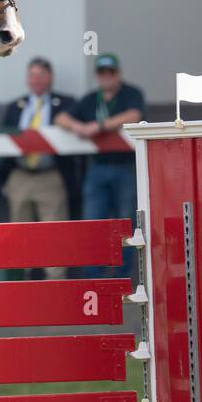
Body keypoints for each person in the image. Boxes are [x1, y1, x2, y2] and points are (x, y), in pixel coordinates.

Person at [55, 54, 145, 279]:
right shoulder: (90, 98)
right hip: (97, 168)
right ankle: (94, 278)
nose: (106, 76)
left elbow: (134, 115)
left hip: (124, 167)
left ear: (118, 73)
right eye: (102, 73)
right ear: (97, 75)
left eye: (110, 72)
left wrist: (100, 126)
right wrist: (77, 126)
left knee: (125, 223)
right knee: (94, 223)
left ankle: (122, 277)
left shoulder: (131, 93)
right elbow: (60, 118)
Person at [0, 57, 77, 278]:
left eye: (41, 75)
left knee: (54, 233)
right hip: (20, 176)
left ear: (50, 78)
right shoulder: (15, 106)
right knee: (19, 232)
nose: (37, 80)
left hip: (50, 177)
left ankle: (56, 283)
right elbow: (4, 141)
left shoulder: (66, 104)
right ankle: (21, 281)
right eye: (33, 76)